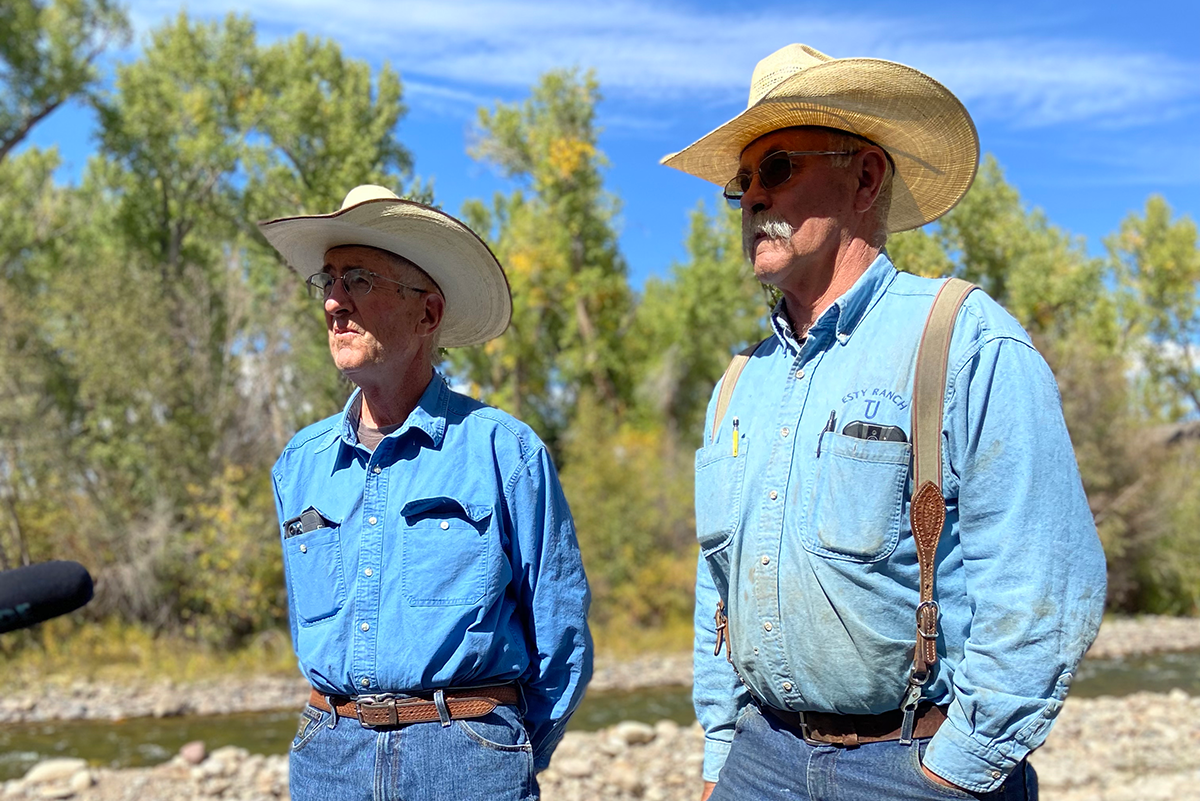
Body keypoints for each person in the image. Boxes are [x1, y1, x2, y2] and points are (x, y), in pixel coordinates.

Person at [660, 44, 1106, 801]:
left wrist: (956, 768)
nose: (755, 199)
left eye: (777, 169)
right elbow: (719, 594)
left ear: (866, 177)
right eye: (744, 184)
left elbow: (1044, 582)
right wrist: (720, 752)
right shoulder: (739, 382)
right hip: (759, 760)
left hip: (914, 764)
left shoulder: (963, 340)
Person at [259, 185, 592, 801]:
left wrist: (493, 748)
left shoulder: (504, 452)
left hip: (466, 756)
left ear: (428, 313)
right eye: (328, 280)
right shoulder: (298, 465)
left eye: (358, 279)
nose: (334, 301)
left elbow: (561, 634)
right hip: (328, 755)